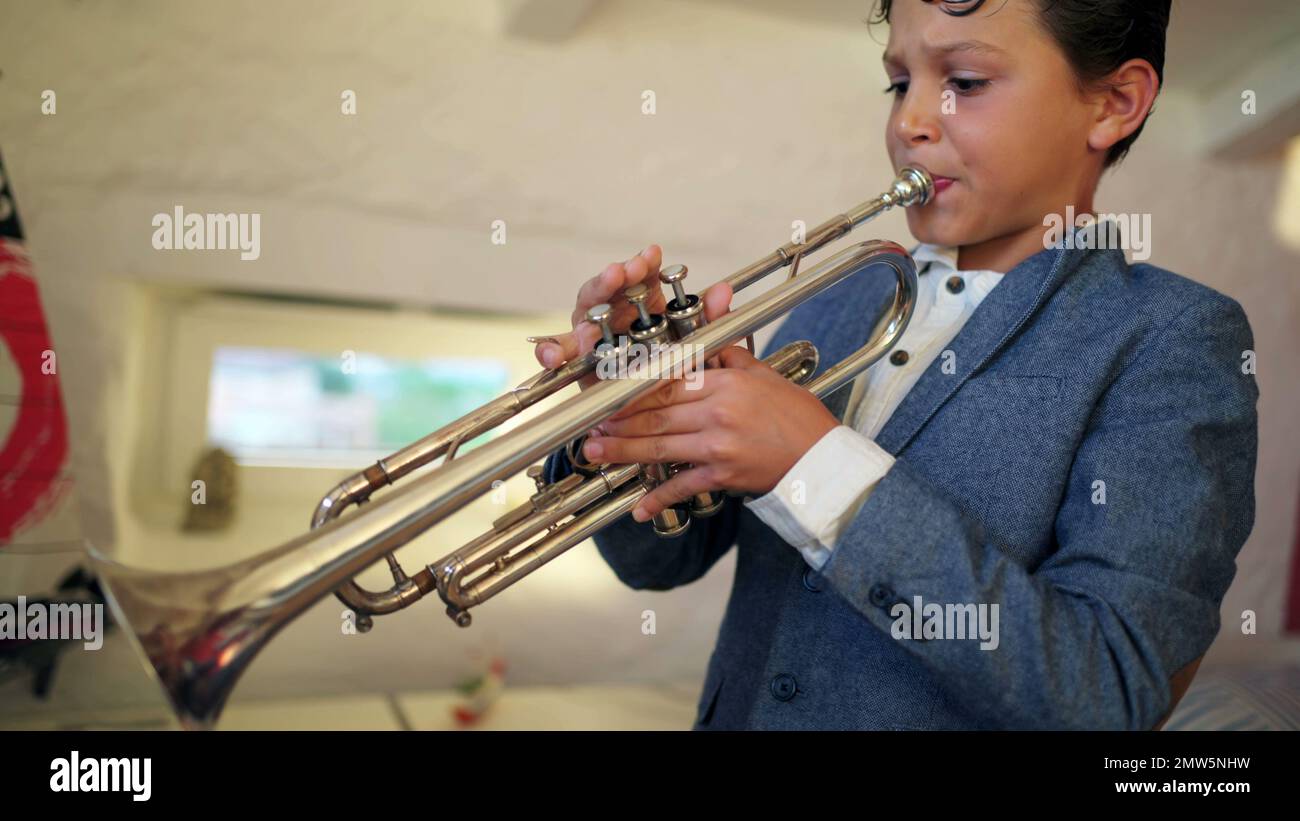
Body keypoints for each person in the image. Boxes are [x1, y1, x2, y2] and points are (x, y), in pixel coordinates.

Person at [535, 0, 1258, 730]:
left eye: (966, 81)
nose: (910, 121)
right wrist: (626, 425)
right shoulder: (841, 298)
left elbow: (1105, 692)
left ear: (1113, 104)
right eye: (898, 82)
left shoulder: (1174, 336)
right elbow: (657, 562)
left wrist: (815, 463)